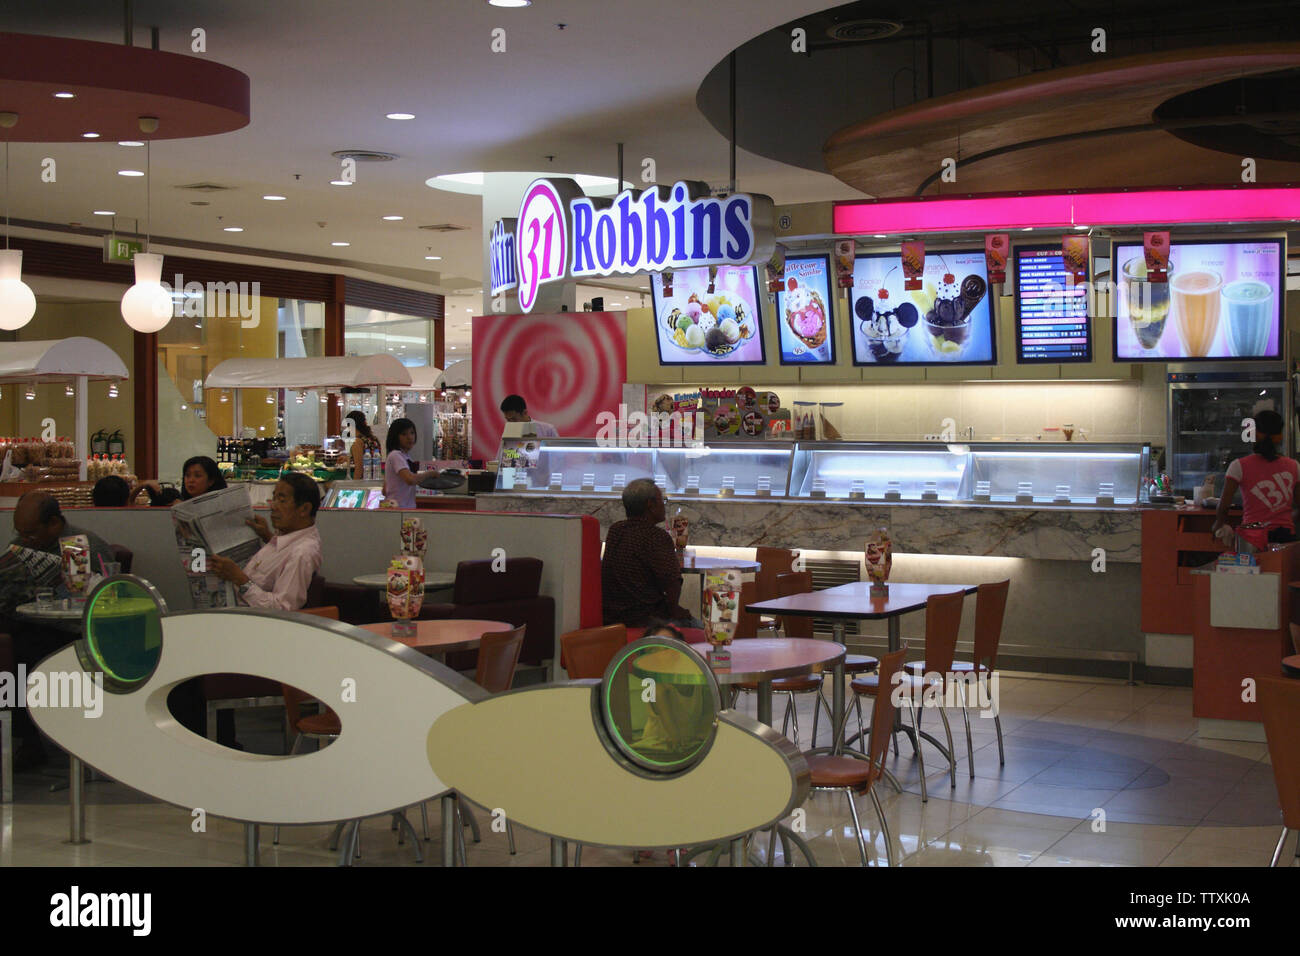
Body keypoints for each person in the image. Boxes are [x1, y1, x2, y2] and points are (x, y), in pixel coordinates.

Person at [3, 493, 118, 768]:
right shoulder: (20, 547)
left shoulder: (82, 547)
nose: (24, 540)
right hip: (29, 623)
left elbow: (99, 605)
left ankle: (28, 741)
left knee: (20, 657)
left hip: (72, 633)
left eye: (30, 533)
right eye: (20, 534)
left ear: (54, 523)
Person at [207, 472, 323, 612]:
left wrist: (240, 579)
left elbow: (282, 608)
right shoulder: (286, 537)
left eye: (282, 500)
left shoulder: (302, 552)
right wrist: (267, 536)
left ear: (304, 509)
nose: (273, 506)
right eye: (273, 498)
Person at [601, 478, 695, 628]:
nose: (664, 506)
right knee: (703, 629)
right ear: (650, 505)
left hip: (610, 619)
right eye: (662, 500)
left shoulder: (615, 530)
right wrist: (675, 610)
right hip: (645, 619)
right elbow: (672, 583)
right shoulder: (655, 536)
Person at [1213, 409, 1299, 551]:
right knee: (1280, 572)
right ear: (1280, 436)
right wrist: (1286, 521)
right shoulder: (1294, 466)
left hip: (1252, 538)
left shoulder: (1239, 466)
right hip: (1286, 539)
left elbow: (1223, 507)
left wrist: (1219, 523)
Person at [383, 418, 440, 509]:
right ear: (395, 436)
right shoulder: (396, 456)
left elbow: (385, 490)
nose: (409, 437)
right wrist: (430, 473)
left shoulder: (403, 456)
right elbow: (410, 480)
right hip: (399, 509)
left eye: (412, 433)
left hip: (399, 507)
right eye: (404, 434)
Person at [132, 455, 227, 506]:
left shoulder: (220, 505)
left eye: (197, 476)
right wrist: (143, 484)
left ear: (211, 481)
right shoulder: (177, 502)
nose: (191, 480)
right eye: (187, 475)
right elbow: (128, 505)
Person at [346, 410, 382, 480]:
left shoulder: (357, 442)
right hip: (376, 478)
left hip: (364, 480)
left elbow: (359, 468)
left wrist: (354, 486)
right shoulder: (374, 439)